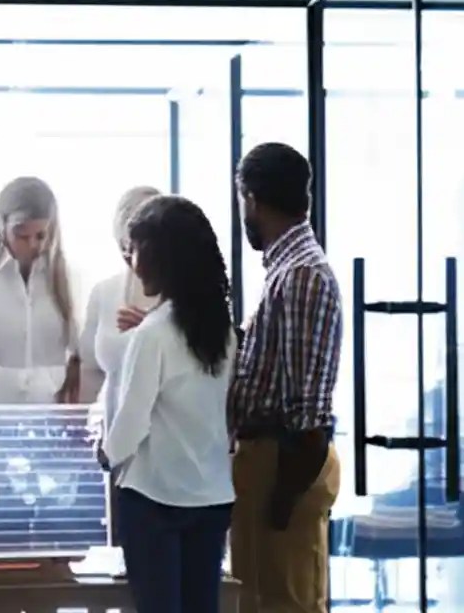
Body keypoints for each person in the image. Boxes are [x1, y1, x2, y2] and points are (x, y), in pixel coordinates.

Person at [102, 195, 238, 613]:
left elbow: (131, 424)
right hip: (212, 497)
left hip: (154, 501)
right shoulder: (223, 331)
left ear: (163, 257)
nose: (132, 260)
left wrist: (105, 454)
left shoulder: (153, 334)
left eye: (137, 248)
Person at [229, 142, 343, 613]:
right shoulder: (285, 270)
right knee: (259, 600)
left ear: (251, 199)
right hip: (271, 462)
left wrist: (283, 500)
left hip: (284, 464)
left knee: (288, 603)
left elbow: (307, 412)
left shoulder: (300, 276)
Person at [0, 176, 80, 404]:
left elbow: (79, 350)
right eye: (21, 235)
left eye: (41, 235)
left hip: (51, 408)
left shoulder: (67, 274)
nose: (33, 244)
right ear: (0, 225)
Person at [81, 186, 161, 424]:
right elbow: (91, 371)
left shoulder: (185, 295)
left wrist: (154, 329)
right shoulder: (104, 292)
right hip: (108, 429)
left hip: (164, 434)